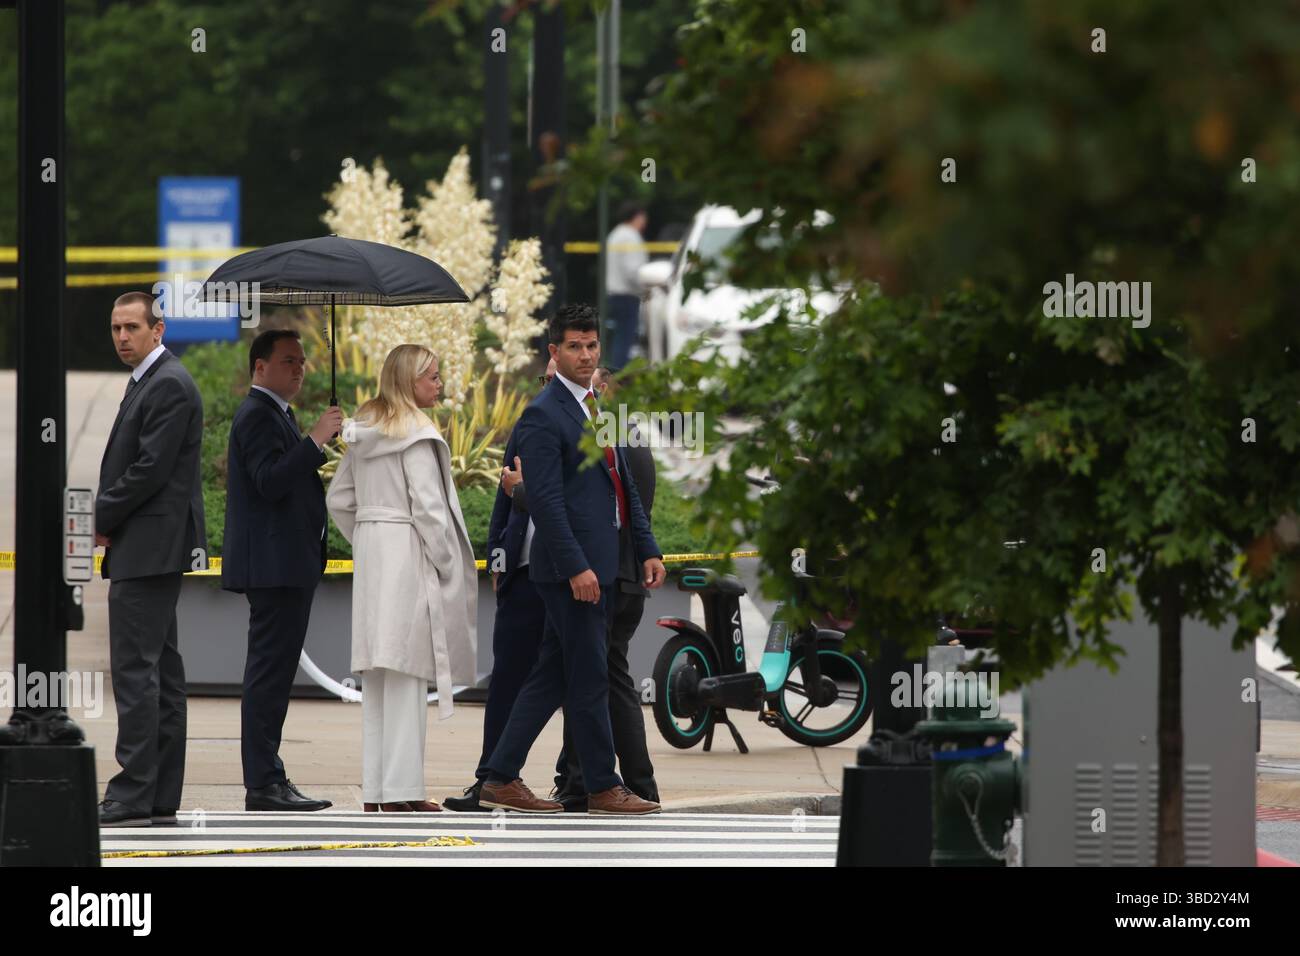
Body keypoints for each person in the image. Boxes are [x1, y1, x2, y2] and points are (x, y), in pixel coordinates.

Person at [480, 304, 666, 815]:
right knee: (588, 678)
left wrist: (647, 548)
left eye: (591, 346)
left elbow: (623, 485)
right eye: (575, 347)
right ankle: (604, 787)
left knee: (554, 674)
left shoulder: (596, 408)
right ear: (554, 352)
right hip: (572, 571)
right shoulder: (543, 414)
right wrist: (576, 566)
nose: (585, 355)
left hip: (603, 565)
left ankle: (498, 777)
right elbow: (545, 501)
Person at [327, 344, 477, 813]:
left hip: (374, 559)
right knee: (410, 677)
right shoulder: (415, 432)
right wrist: (447, 563)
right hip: (408, 557)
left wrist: (369, 538)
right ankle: (404, 791)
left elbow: (339, 499)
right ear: (410, 381)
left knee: (378, 678)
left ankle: (377, 793)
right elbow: (431, 512)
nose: (439, 384)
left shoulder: (365, 429)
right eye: (432, 376)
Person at [95, 291, 206, 827]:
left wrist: (99, 517)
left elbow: (148, 471)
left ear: (157, 331)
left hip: (147, 548)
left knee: (136, 673)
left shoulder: (167, 384)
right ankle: (157, 792)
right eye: (116, 328)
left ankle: (133, 791)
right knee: (159, 670)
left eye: (132, 328)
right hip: (152, 547)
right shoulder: (153, 379)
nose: (122, 337)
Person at [221, 328, 340, 812]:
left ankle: (269, 777)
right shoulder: (256, 415)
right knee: (269, 676)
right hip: (274, 568)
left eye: (302, 361)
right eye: (288, 361)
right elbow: (269, 481)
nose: (300, 369)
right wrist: (314, 439)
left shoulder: (277, 414)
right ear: (260, 367)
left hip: (289, 565)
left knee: (274, 674)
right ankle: (264, 783)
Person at [443, 359, 557, 812]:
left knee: (577, 680)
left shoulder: (594, 432)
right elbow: (502, 500)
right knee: (508, 678)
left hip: (570, 576)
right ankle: (490, 777)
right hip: (522, 574)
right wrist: (498, 556)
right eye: (545, 379)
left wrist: (528, 487)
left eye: (556, 379)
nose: (549, 387)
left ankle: (579, 780)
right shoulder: (529, 425)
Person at [551, 365, 660, 810]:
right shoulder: (624, 434)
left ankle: (621, 783)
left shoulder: (610, 438)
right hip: (622, 576)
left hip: (610, 579)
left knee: (604, 680)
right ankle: (582, 780)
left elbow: (606, 512)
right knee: (597, 678)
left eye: (593, 382)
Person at [605, 201, 649, 372]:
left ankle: (614, 374)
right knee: (625, 338)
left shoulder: (615, 234)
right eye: (643, 217)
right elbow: (632, 270)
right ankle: (619, 376)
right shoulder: (630, 236)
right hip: (627, 295)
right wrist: (645, 287)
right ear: (636, 217)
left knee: (619, 337)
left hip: (614, 293)